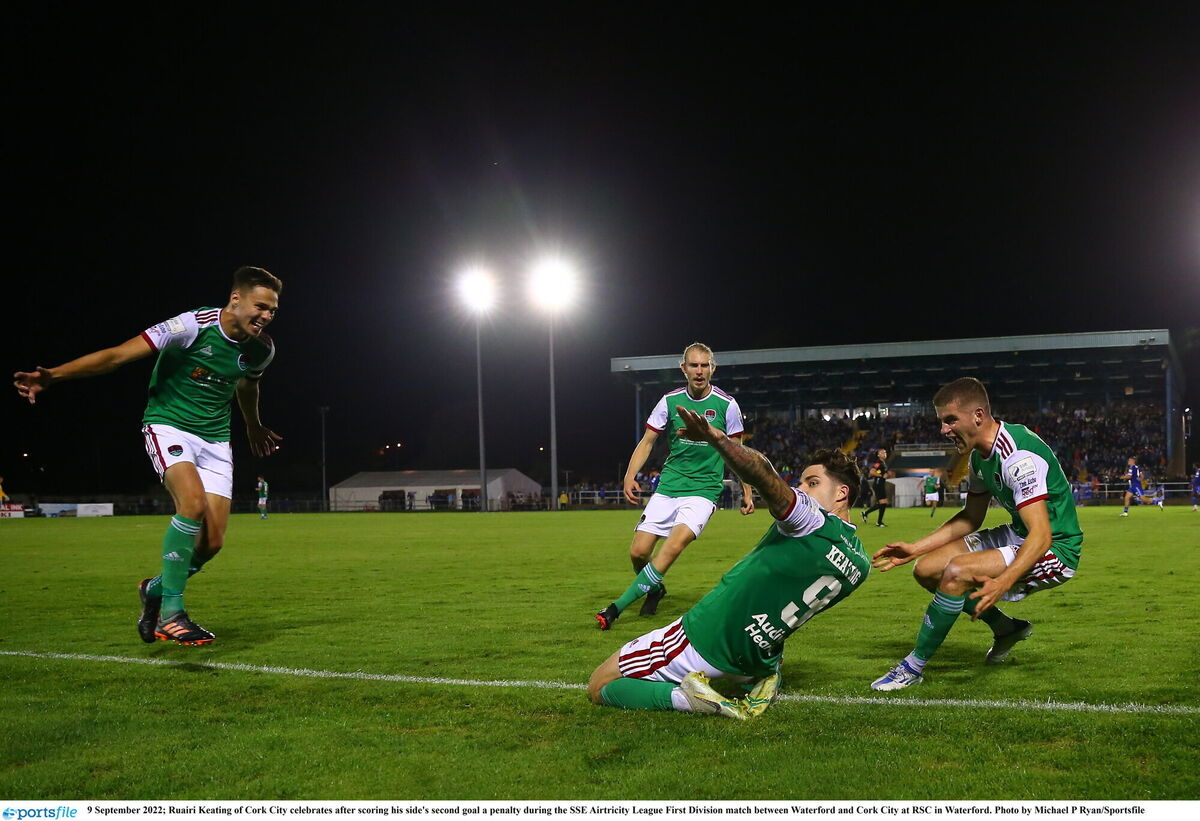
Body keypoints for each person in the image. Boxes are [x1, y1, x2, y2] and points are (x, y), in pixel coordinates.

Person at [13, 266, 282, 646]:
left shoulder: (262, 349)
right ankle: (172, 614)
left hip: (216, 441)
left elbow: (247, 385)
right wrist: (53, 376)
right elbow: (117, 356)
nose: (266, 316)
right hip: (169, 426)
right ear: (235, 299)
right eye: (261, 306)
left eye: (272, 310)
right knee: (191, 504)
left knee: (212, 544)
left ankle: (154, 588)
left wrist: (253, 425)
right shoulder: (191, 326)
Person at [588, 407, 868, 719]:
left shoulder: (811, 519)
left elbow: (763, 472)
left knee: (600, 684)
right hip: (757, 655)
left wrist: (717, 439)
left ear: (842, 493)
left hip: (707, 637)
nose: (801, 489)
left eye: (812, 483)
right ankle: (766, 675)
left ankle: (689, 698)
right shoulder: (860, 563)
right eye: (802, 483)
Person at [869, 377, 1083, 690]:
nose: (944, 429)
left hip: (1056, 549)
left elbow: (1042, 536)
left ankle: (912, 667)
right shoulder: (980, 457)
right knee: (927, 569)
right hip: (1020, 534)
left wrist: (1003, 581)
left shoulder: (1016, 457)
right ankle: (1005, 628)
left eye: (950, 420)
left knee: (957, 572)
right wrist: (915, 548)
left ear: (978, 416)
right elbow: (971, 517)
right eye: (942, 422)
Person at [595, 343, 755, 629]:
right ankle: (655, 588)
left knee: (673, 546)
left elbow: (738, 452)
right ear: (684, 369)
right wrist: (630, 475)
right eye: (693, 365)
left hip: (704, 491)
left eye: (704, 365)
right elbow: (647, 441)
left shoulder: (727, 405)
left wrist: (747, 491)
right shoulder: (668, 402)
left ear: (712, 368)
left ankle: (615, 609)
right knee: (638, 553)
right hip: (669, 487)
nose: (699, 371)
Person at [861, 448, 890, 526]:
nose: (884, 454)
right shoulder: (878, 463)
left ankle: (866, 513)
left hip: (881, 484)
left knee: (882, 503)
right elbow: (871, 472)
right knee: (883, 503)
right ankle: (879, 522)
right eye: (882, 452)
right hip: (878, 484)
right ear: (878, 455)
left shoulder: (883, 463)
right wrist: (881, 475)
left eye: (885, 452)